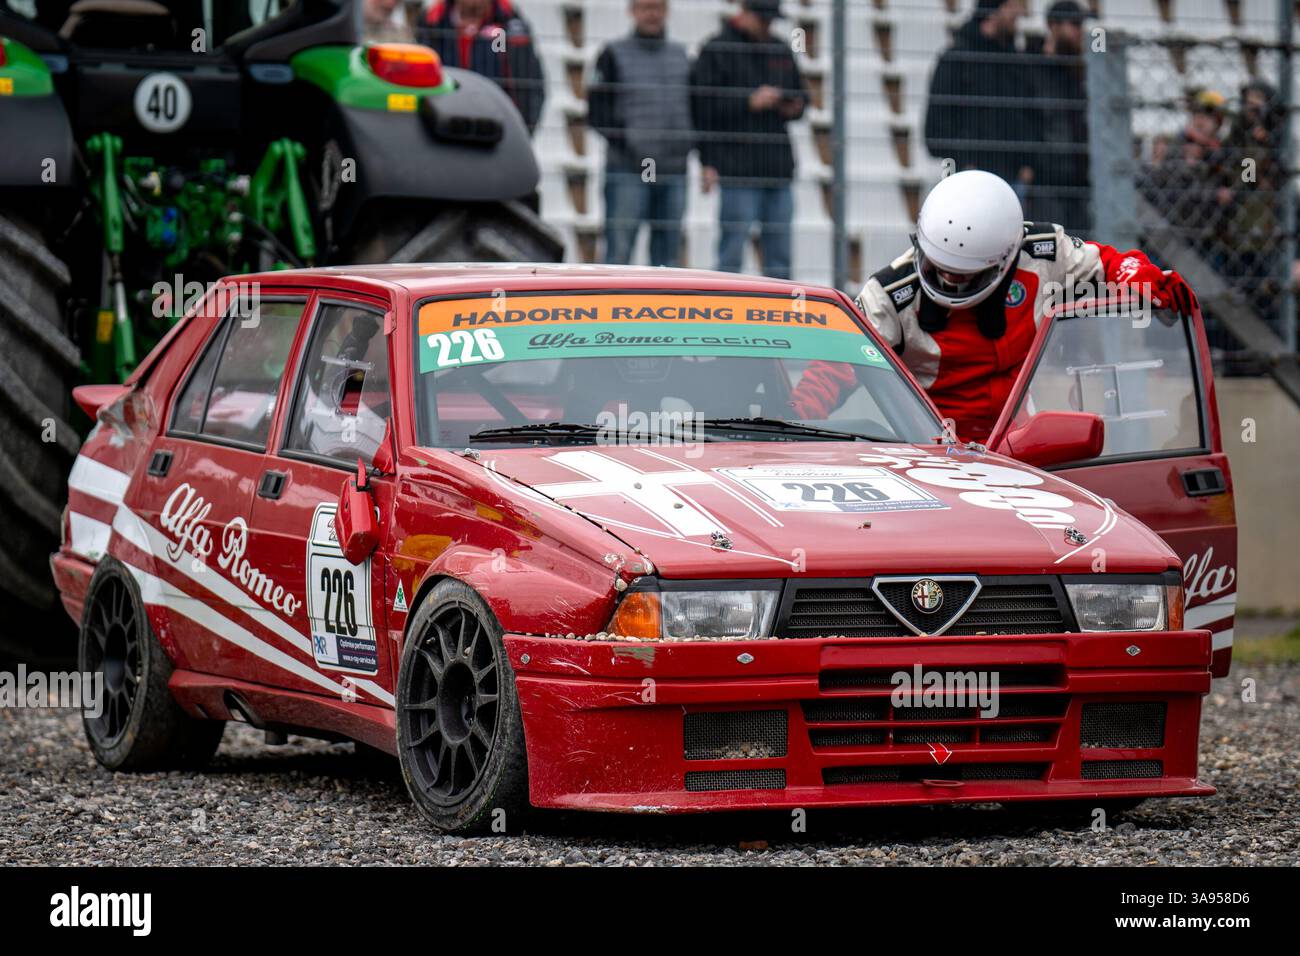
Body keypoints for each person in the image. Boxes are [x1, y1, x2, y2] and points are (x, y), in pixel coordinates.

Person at [793, 170, 1196, 443]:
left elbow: (1105, 262)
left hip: (1019, 444)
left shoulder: (1041, 251)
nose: (949, 281)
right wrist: (794, 423)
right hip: (932, 450)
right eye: (939, 268)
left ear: (1005, 259)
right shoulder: (889, 293)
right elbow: (834, 366)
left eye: (963, 275)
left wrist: (1145, 278)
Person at [691, 0, 809, 279]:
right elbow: (702, 108)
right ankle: (724, 313)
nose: (768, 25)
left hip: (777, 169)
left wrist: (791, 105)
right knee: (731, 256)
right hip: (737, 170)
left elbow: (803, 98)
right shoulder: (716, 49)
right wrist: (748, 102)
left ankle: (781, 318)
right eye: (762, 19)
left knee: (779, 259)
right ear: (743, 13)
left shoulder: (779, 48)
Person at [589, 0, 693, 267]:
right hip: (628, 169)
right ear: (632, 11)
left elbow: (697, 106)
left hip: (673, 169)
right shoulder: (611, 54)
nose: (652, 14)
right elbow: (597, 111)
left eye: (658, 8)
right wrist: (630, 145)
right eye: (646, 7)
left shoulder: (682, 56)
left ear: (667, 11)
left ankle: (666, 308)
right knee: (619, 253)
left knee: (668, 258)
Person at [924, 0, 1032, 191]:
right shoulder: (956, 60)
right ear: (992, 12)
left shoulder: (1014, 61)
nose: (1018, 14)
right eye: (1010, 8)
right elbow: (935, 128)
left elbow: (1026, 116)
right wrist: (965, 162)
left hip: (1012, 183)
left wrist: (1026, 163)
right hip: (969, 183)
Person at [417, 0, 545, 134]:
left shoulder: (510, 24)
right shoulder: (432, 21)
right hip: (443, 127)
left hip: (497, 130)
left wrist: (522, 133)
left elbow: (531, 86)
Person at [1024, 0, 1090, 232]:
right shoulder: (1030, 67)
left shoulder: (1081, 70)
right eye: (1073, 24)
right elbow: (1025, 120)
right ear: (1053, 26)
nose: (1078, 30)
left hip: (1080, 180)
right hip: (1045, 180)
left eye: (1080, 24)